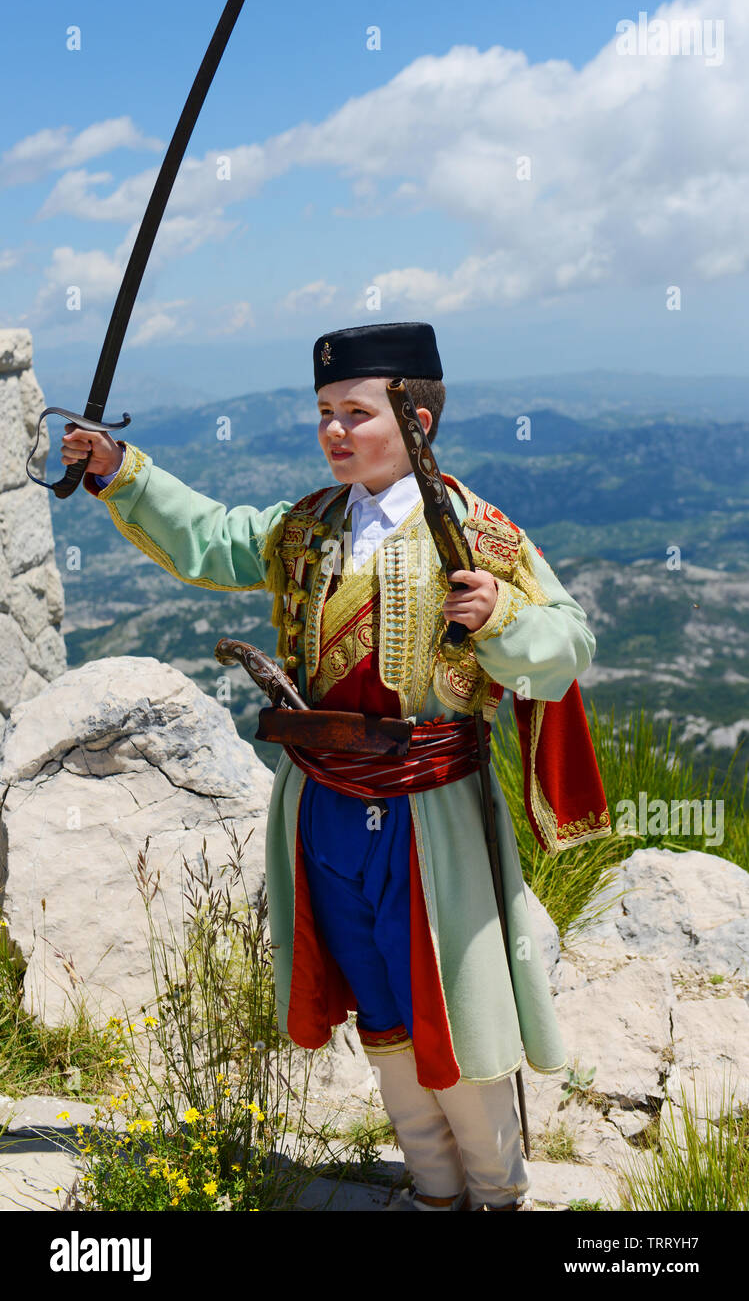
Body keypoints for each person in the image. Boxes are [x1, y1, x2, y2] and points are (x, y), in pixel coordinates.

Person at [61, 320, 610, 1212]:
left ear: (416, 423)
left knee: (450, 998)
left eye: (356, 412)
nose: (333, 430)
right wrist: (121, 469)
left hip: (431, 811)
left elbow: (567, 643)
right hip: (321, 804)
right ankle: (433, 1189)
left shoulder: (481, 539)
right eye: (324, 411)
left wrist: (504, 615)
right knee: (376, 994)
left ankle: (496, 1192)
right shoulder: (305, 527)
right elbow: (212, 538)